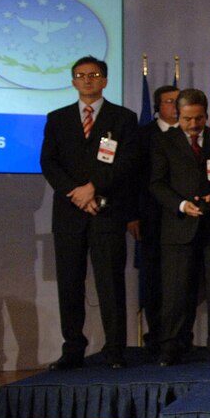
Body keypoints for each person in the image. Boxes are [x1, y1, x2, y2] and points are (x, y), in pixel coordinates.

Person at [40, 56, 140, 370]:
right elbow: (49, 163)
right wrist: (77, 193)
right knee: (70, 283)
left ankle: (114, 351)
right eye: (81, 76)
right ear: (72, 82)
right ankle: (72, 349)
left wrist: (94, 187)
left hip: (107, 212)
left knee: (110, 283)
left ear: (105, 81)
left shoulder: (123, 118)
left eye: (94, 75)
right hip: (70, 214)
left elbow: (127, 162)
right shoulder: (57, 118)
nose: (87, 80)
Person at [150, 88, 210, 366]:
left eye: (198, 119)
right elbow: (156, 183)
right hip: (179, 225)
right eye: (187, 119)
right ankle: (172, 346)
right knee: (177, 291)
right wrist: (181, 205)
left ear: (206, 114)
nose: (193, 125)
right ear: (178, 115)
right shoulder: (163, 142)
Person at [138, 84, 178, 352]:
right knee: (153, 279)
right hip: (151, 218)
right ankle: (156, 336)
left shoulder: (192, 134)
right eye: (168, 101)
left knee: (180, 281)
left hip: (183, 218)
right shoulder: (143, 136)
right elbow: (134, 179)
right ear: (157, 107)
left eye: (178, 101)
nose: (174, 106)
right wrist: (133, 215)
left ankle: (178, 337)